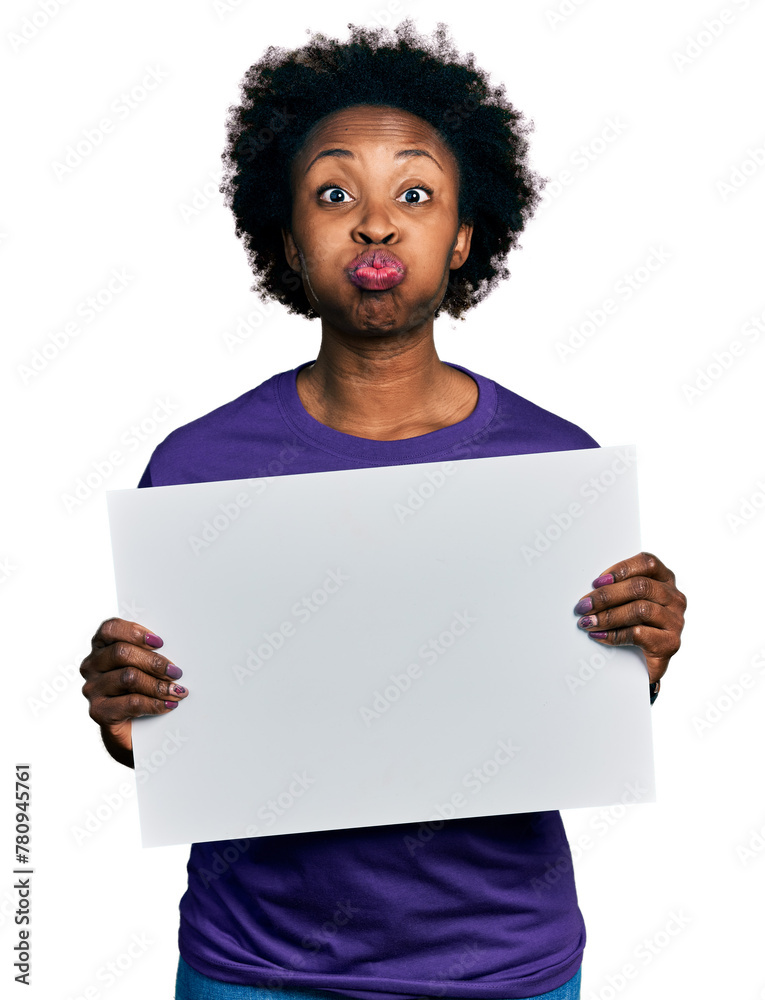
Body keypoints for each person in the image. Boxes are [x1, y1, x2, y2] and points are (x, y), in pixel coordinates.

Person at [79, 21, 686, 1000]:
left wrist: (641, 657)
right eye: (334, 194)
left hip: (503, 967)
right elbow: (167, 739)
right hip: (256, 966)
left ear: (463, 236)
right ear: (287, 241)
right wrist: (125, 712)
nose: (374, 224)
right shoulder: (197, 468)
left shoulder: (557, 468)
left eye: (414, 194)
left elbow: (576, 708)